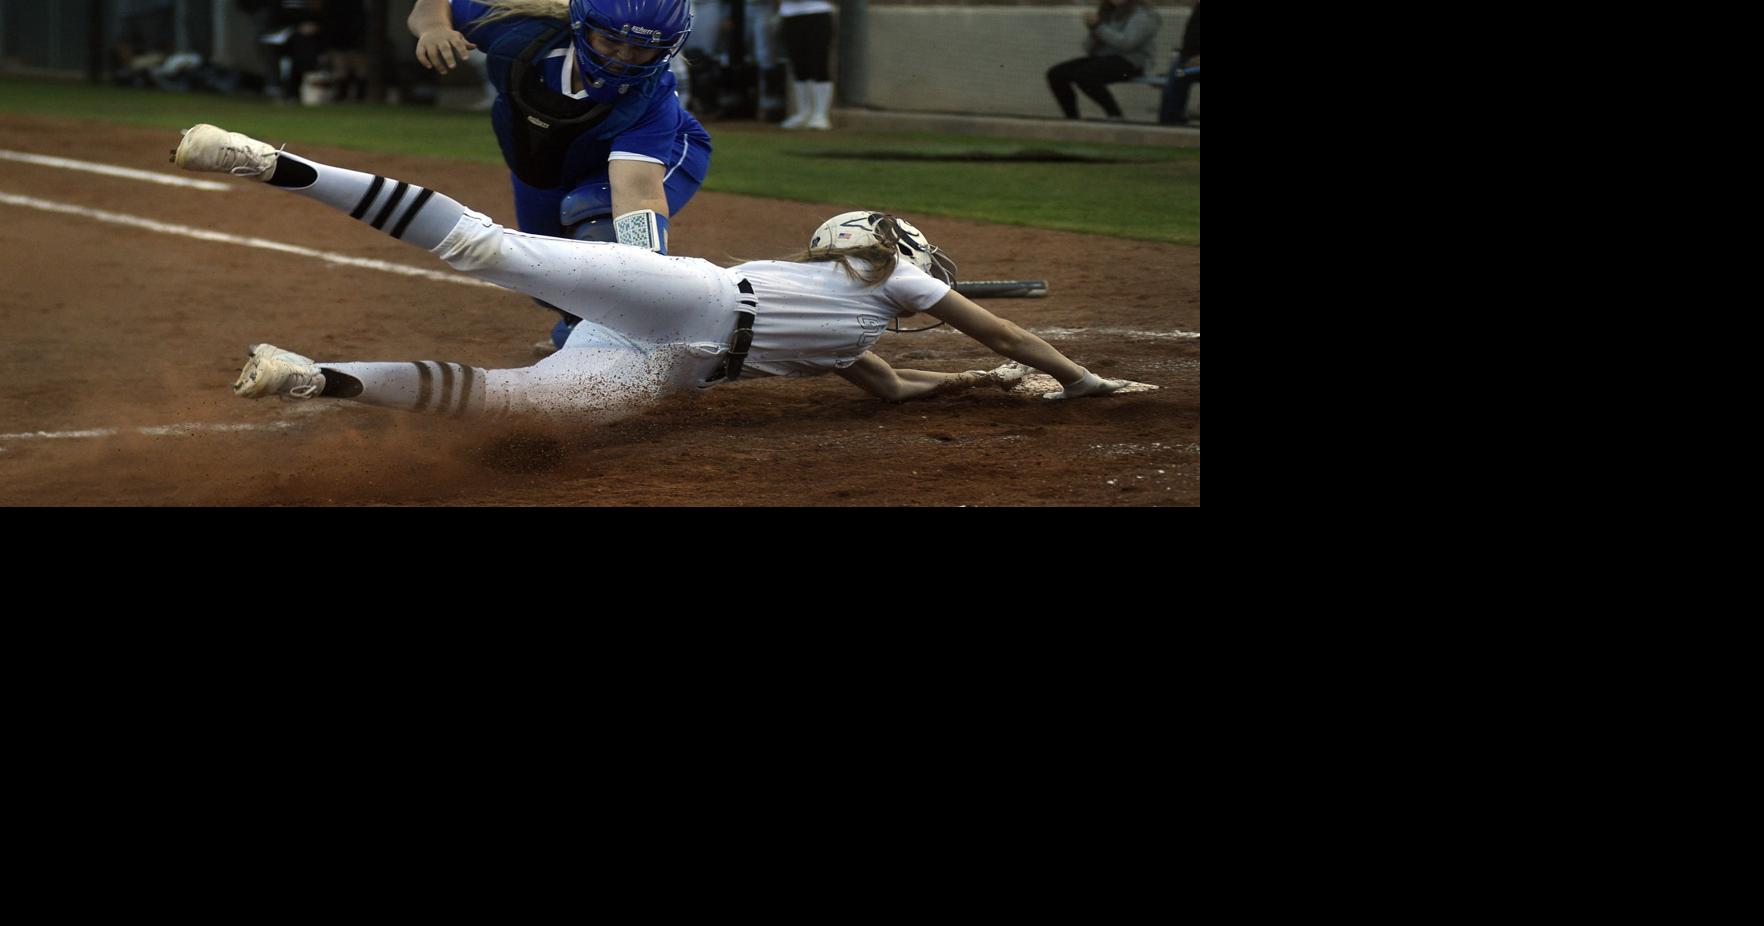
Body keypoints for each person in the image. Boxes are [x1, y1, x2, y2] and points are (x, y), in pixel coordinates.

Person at [172, 124, 1153, 422]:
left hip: (675, 365)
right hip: (696, 295)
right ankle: (274, 164)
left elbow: (895, 386)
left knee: (515, 402)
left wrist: (979, 383)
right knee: (489, 248)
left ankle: (316, 375)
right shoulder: (891, 279)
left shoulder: (862, 330)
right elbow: (1003, 326)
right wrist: (1075, 375)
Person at [407, 0, 712, 355]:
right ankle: (577, 325)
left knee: (600, 220)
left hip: (658, 158)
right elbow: (434, 4)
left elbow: (637, 195)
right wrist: (434, 29)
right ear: (583, 25)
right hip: (547, 161)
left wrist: (647, 279)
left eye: (644, 48)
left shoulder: (651, 97)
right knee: (547, 275)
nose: (624, 57)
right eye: (612, 40)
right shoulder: (523, 32)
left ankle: (624, 336)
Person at [1045, 0, 1160, 121]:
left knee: (1085, 75)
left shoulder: (1143, 15)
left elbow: (1127, 43)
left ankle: (1115, 115)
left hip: (1131, 62)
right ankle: (1072, 118)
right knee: (1056, 74)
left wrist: (1099, 27)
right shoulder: (1107, 12)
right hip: (1103, 59)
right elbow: (1087, 47)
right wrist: (1093, 29)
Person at [777, 1, 835, 130]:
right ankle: (803, 112)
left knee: (818, 61)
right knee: (798, 64)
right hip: (790, 15)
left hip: (818, 12)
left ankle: (820, 114)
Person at [1158, 1, 1200, 126]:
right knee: (1177, 75)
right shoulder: (1197, 11)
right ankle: (1169, 122)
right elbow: (1189, 42)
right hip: (1190, 62)